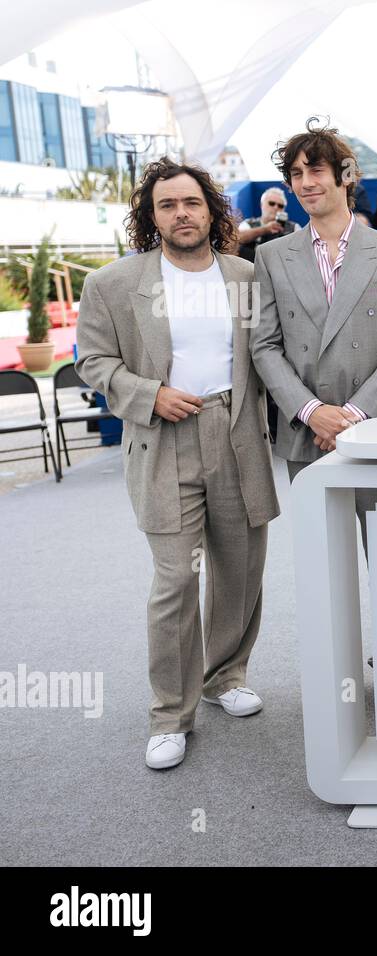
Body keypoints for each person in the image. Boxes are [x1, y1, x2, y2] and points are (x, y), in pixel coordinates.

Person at [75, 159, 279, 770]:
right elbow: (93, 361)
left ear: (211, 209)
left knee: (240, 571)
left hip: (237, 433)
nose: (181, 214)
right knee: (175, 580)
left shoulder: (246, 275)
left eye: (192, 202)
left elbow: (270, 352)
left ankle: (225, 677)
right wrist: (147, 394)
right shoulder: (113, 283)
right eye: (168, 205)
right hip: (162, 438)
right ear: (151, 216)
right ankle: (171, 713)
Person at [250, 121, 377, 552]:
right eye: (296, 174)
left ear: (345, 176)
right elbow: (264, 344)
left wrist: (350, 416)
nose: (305, 184)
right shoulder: (270, 257)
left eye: (316, 171)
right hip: (306, 432)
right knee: (320, 566)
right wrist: (312, 412)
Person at [236, 185, 298, 262]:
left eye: (280, 206)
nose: (276, 207)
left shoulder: (293, 227)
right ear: (262, 205)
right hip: (253, 267)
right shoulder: (249, 223)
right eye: (271, 203)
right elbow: (237, 238)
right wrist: (265, 229)